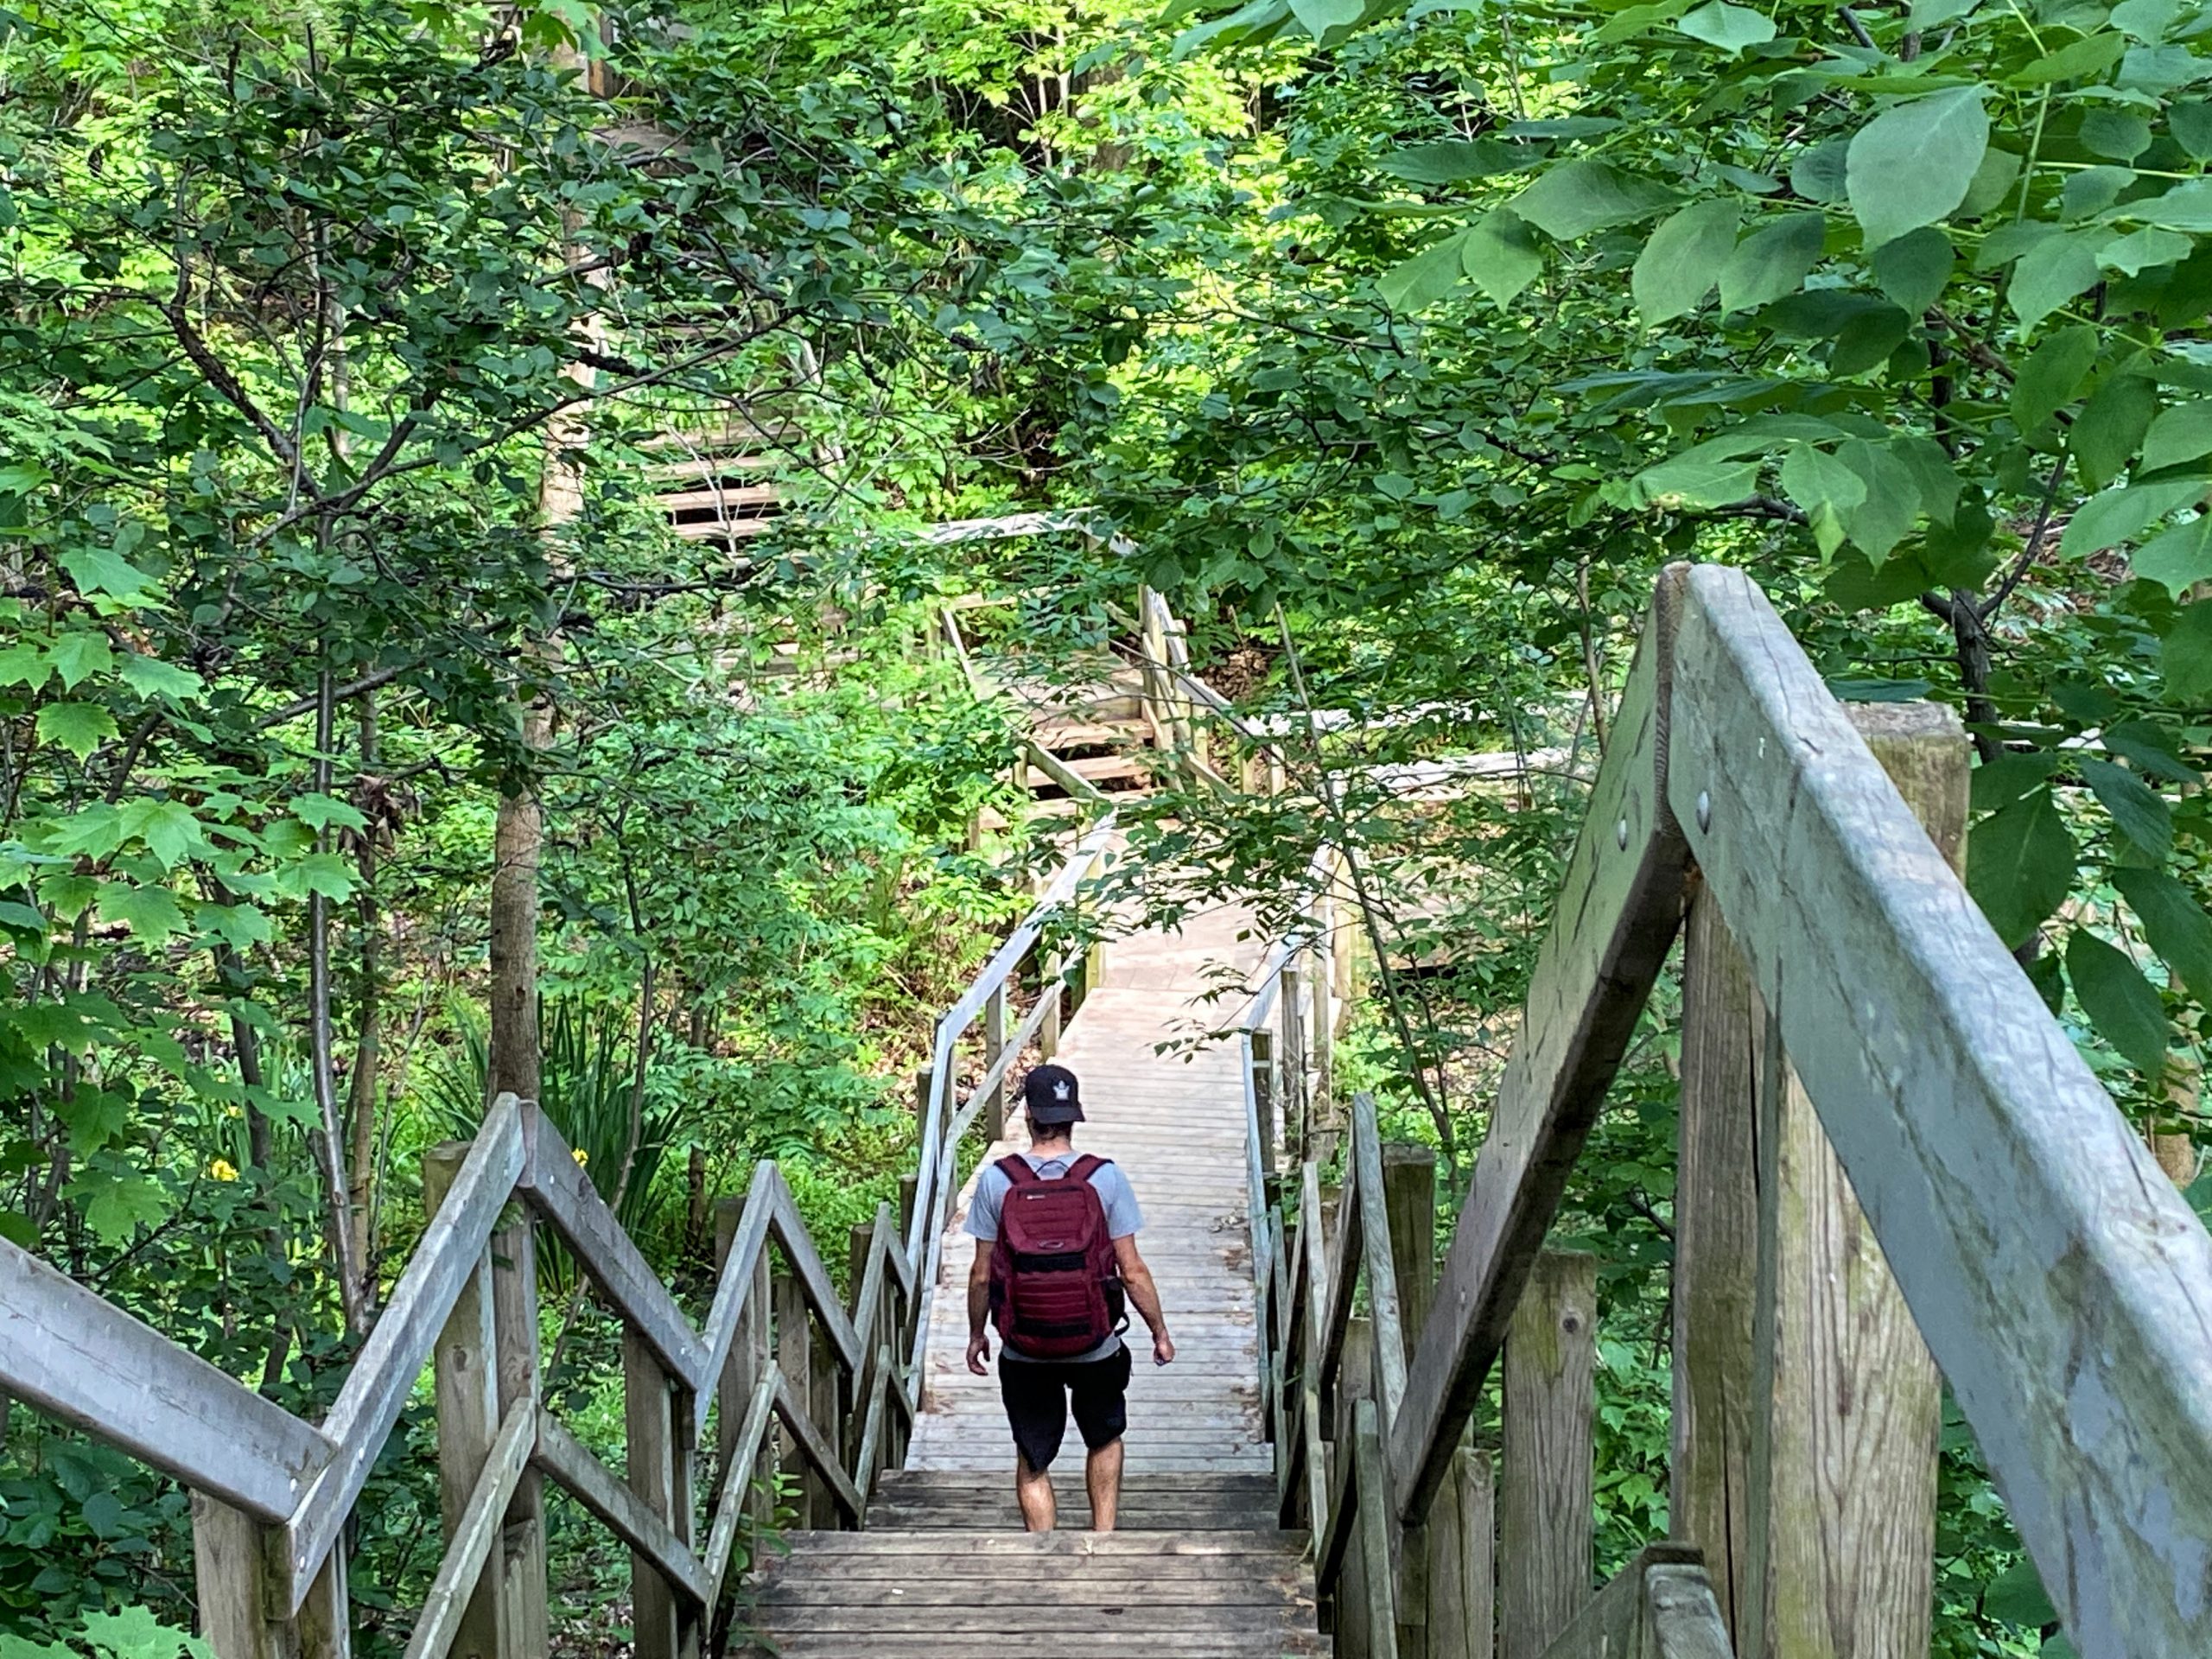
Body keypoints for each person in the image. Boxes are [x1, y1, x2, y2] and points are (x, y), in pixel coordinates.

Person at [964, 1063, 1173, 1531]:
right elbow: (1132, 1270)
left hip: (1023, 1347)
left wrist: (977, 1334)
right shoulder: (1105, 1178)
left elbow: (981, 1275)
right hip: (1095, 1343)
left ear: (1027, 1116)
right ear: (1072, 1117)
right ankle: (1104, 1542)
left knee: (1033, 1457)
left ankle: (1043, 1554)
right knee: (1104, 1438)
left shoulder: (999, 1181)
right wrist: (1159, 1332)